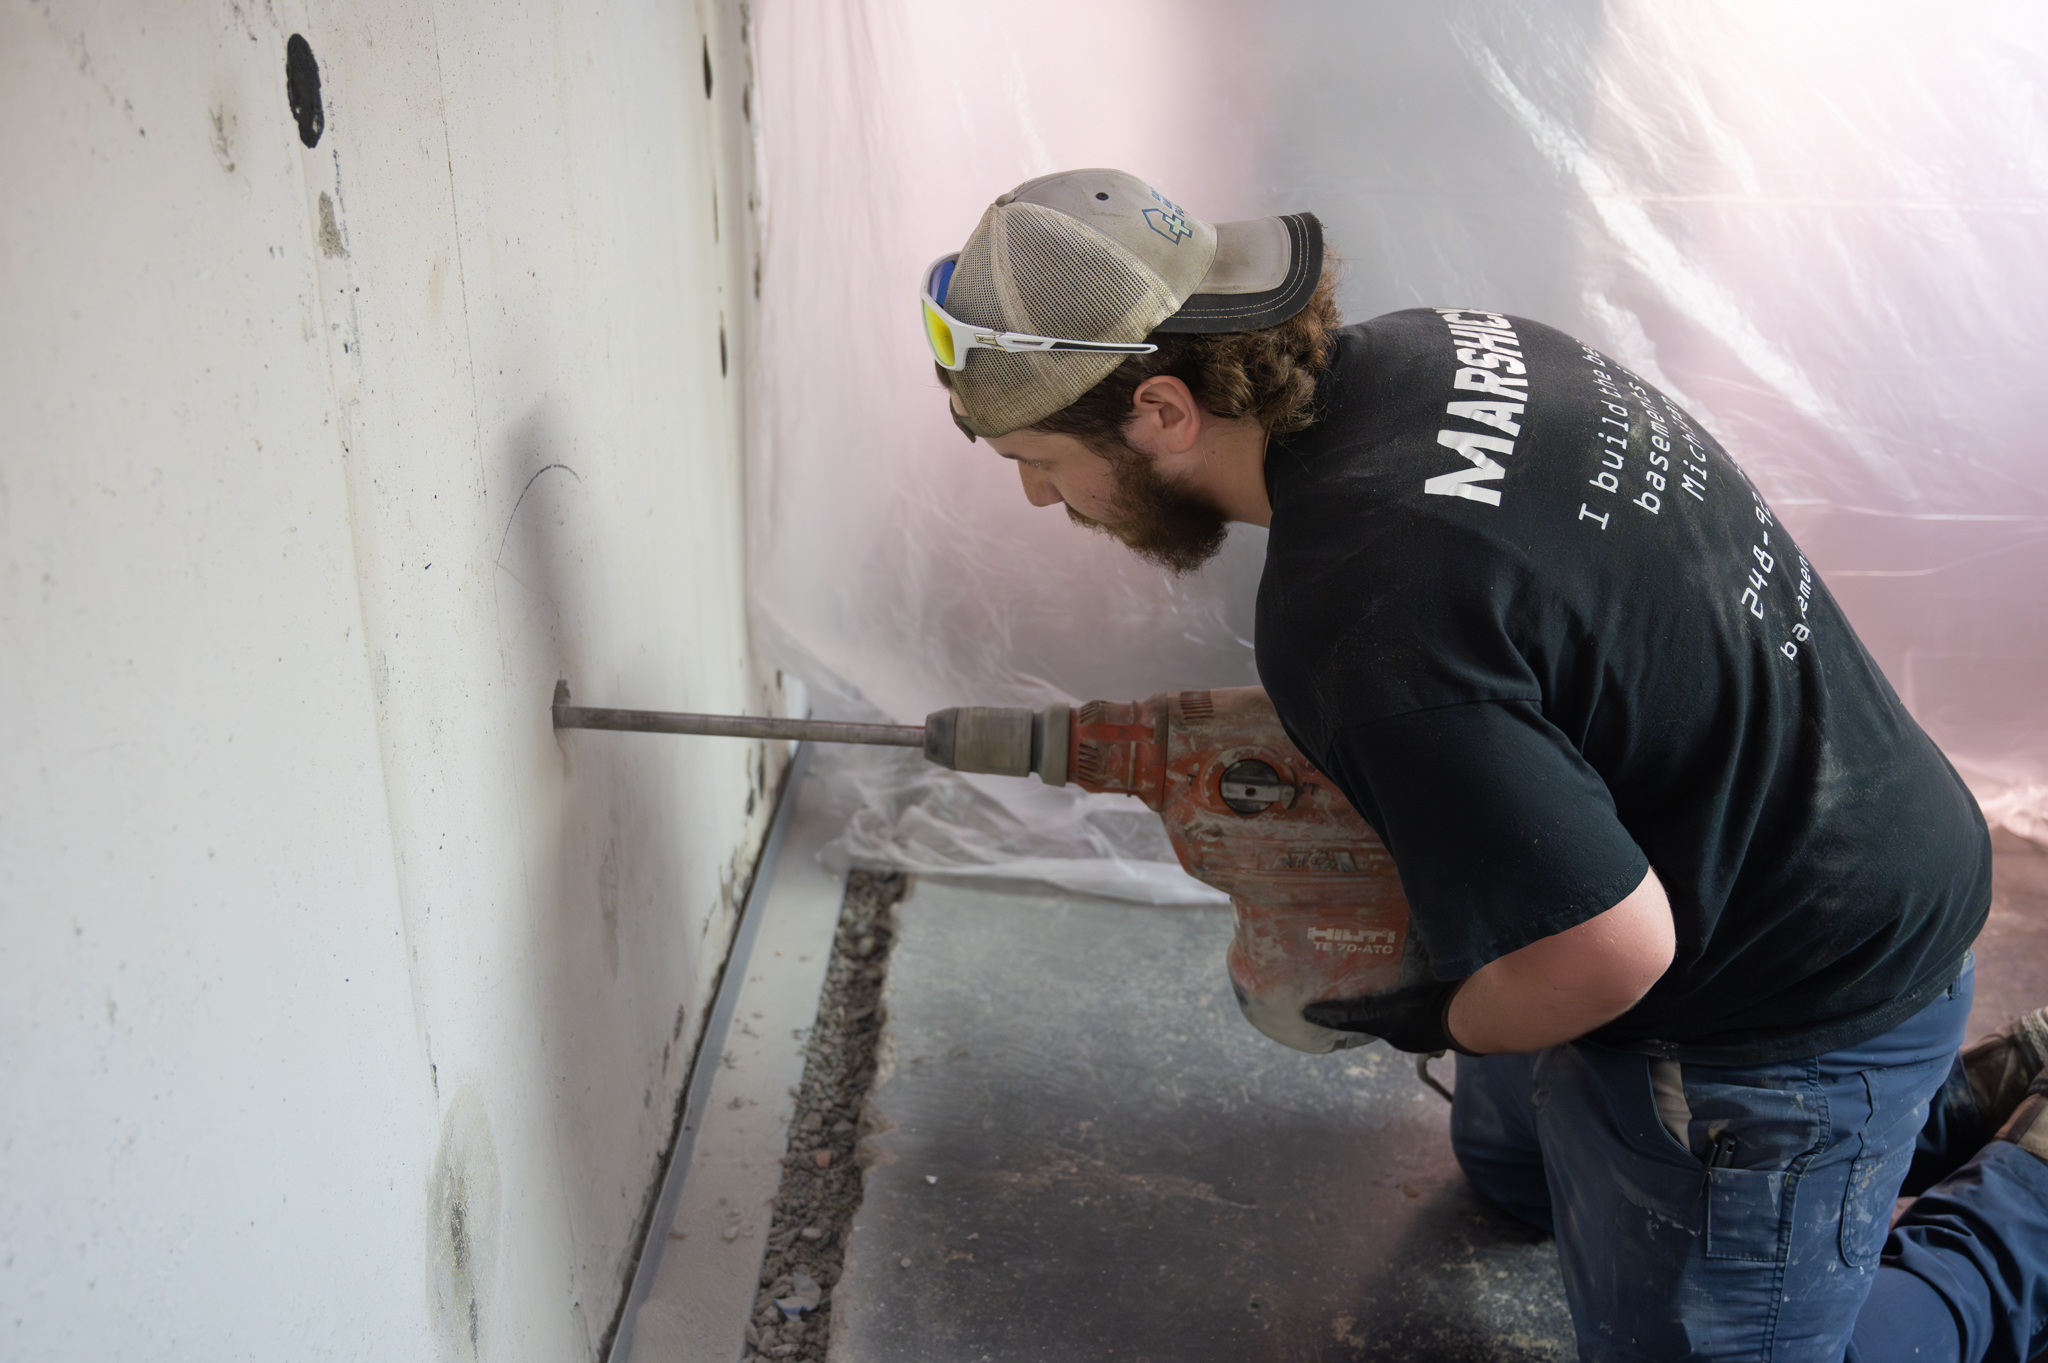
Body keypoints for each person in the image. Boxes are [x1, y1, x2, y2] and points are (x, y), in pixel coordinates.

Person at [921, 167, 2048, 1363]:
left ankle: (2022, 1194)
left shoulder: (1352, 609)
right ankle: (1960, 1099)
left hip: (1794, 987)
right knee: (1511, 1169)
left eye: (1036, 458)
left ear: (1159, 409)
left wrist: (1434, 1008)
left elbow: (1609, 951)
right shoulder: (1435, 348)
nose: (1044, 496)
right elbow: (1511, 644)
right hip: (1830, 818)